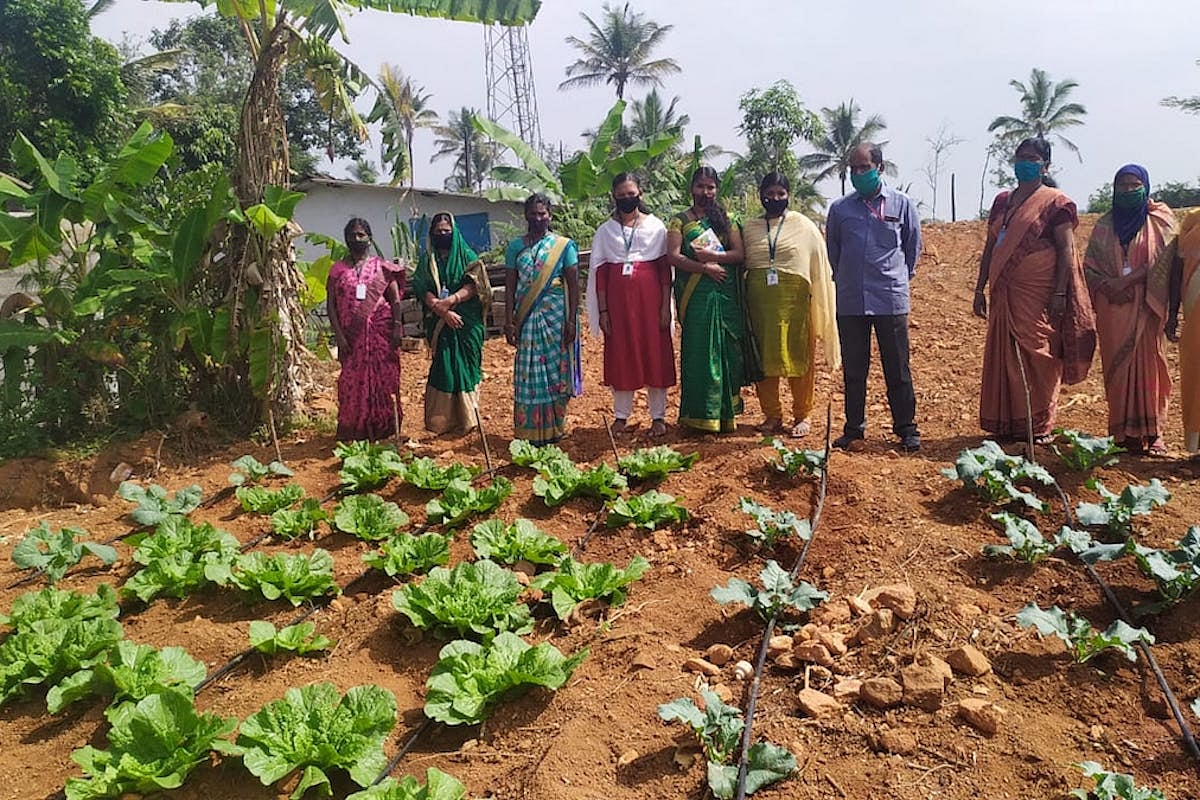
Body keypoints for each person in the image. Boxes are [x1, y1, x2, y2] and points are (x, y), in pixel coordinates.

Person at [973, 137, 1095, 444]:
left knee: (1039, 353)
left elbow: (1065, 250)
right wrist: (979, 288)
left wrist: (1060, 293)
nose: (1024, 164)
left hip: (1038, 294)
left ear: (1045, 166)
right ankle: (1009, 422)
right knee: (1006, 355)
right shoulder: (1002, 201)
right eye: (1021, 158)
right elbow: (991, 246)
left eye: (1032, 158)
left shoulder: (1056, 203)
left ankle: (1039, 423)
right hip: (1003, 292)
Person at [826, 143, 923, 452]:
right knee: (854, 370)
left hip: (889, 297)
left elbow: (912, 246)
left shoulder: (901, 204)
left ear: (879, 168)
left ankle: (906, 428)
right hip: (851, 300)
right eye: (853, 168)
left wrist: (898, 277)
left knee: (897, 367)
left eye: (864, 167)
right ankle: (853, 429)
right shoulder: (839, 209)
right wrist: (846, 276)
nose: (858, 173)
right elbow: (834, 251)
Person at [1083, 165, 1178, 454]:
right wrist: (1109, 285)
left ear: (1146, 187)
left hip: (1148, 305)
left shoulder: (1160, 221)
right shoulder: (1103, 226)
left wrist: (1127, 281)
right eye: (1122, 185)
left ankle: (1153, 432)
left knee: (1150, 367)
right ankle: (1123, 432)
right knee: (1118, 369)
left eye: (1134, 185)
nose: (1128, 190)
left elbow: (1165, 261)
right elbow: (1089, 267)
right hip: (1112, 307)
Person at [743, 172, 841, 437]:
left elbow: (820, 266)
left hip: (795, 305)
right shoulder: (749, 228)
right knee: (763, 361)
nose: (774, 198)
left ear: (788, 195)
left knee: (799, 359)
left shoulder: (804, 226)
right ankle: (772, 415)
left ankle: (802, 414)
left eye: (780, 194)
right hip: (760, 307)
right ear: (760, 195)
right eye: (769, 193)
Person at [666, 166, 754, 433]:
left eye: (710, 187)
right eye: (700, 186)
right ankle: (697, 416)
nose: (705, 192)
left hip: (725, 295)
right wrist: (704, 268)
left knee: (726, 351)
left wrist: (715, 258)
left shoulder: (728, 219)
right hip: (696, 297)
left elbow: (739, 254)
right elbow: (673, 256)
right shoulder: (679, 220)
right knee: (698, 352)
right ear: (691, 188)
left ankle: (725, 416)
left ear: (717, 189)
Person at [586, 173, 675, 437]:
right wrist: (603, 311)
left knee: (655, 356)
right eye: (621, 195)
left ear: (640, 194)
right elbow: (600, 274)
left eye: (631, 194)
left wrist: (664, 308)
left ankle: (658, 417)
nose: (627, 199)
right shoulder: (605, 232)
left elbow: (664, 272)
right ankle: (621, 416)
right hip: (618, 308)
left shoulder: (656, 227)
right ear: (614, 197)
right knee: (621, 356)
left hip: (651, 306)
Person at [504, 193, 581, 444]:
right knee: (527, 371)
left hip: (556, 316)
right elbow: (510, 286)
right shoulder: (515, 247)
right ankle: (528, 431)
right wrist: (508, 321)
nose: (538, 219)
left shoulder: (563, 246)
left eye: (542, 214)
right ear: (526, 216)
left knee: (555, 370)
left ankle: (555, 428)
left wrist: (571, 321)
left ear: (550, 216)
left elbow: (573, 284)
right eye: (533, 214)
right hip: (526, 317)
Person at [412, 211, 492, 435]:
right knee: (443, 368)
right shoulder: (428, 260)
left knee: (467, 367)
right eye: (438, 232)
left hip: (466, 323)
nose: (442, 234)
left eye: (446, 231)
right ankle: (442, 422)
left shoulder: (466, 255)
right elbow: (421, 287)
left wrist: (451, 300)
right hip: (439, 322)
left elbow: (476, 285)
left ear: (454, 232)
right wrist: (441, 310)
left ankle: (468, 419)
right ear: (432, 234)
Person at [326, 217, 406, 441]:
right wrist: (340, 337)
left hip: (382, 336)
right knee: (351, 382)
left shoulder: (382, 267)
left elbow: (395, 300)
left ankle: (385, 428)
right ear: (346, 239)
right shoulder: (337, 270)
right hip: (352, 340)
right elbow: (331, 305)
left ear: (369, 238)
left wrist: (397, 328)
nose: (357, 238)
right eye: (352, 235)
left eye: (361, 234)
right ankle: (355, 428)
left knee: (385, 379)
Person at [1169, 210, 1200, 453]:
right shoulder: (1193, 221)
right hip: (1194, 313)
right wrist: (1172, 313)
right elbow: (1177, 269)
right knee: (1195, 371)